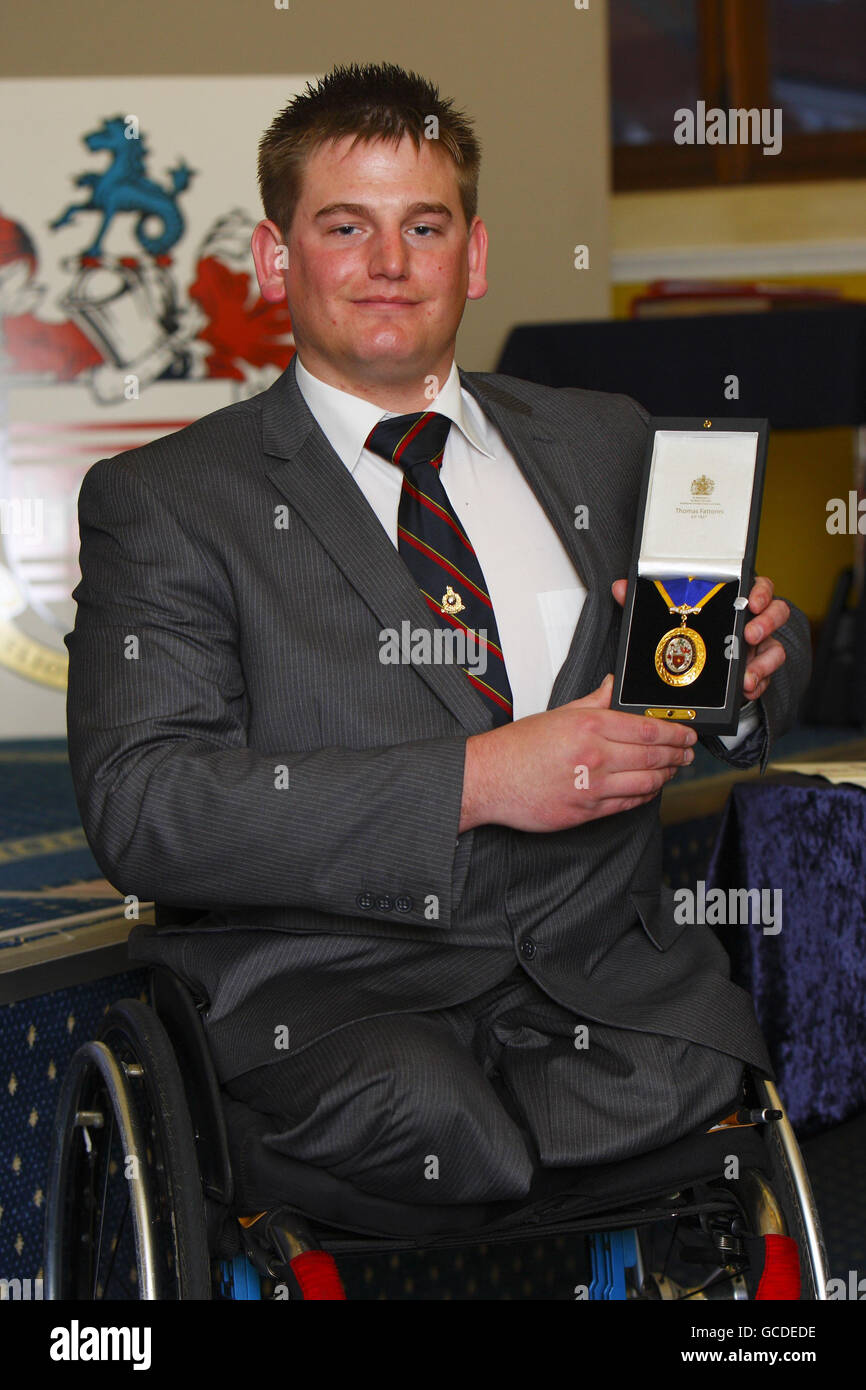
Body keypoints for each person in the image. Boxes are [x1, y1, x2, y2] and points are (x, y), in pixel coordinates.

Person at [65, 63, 810, 1208]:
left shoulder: (601, 443)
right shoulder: (167, 502)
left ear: (473, 253)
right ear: (276, 260)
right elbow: (144, 806)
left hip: (603, 995)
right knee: (430, 1115)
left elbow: (707, 686)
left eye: (424, 224)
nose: (387, 263)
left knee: (699, 1059)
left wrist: (752, 667)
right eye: (343, 225)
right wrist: (470, 781)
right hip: (332, 1004)